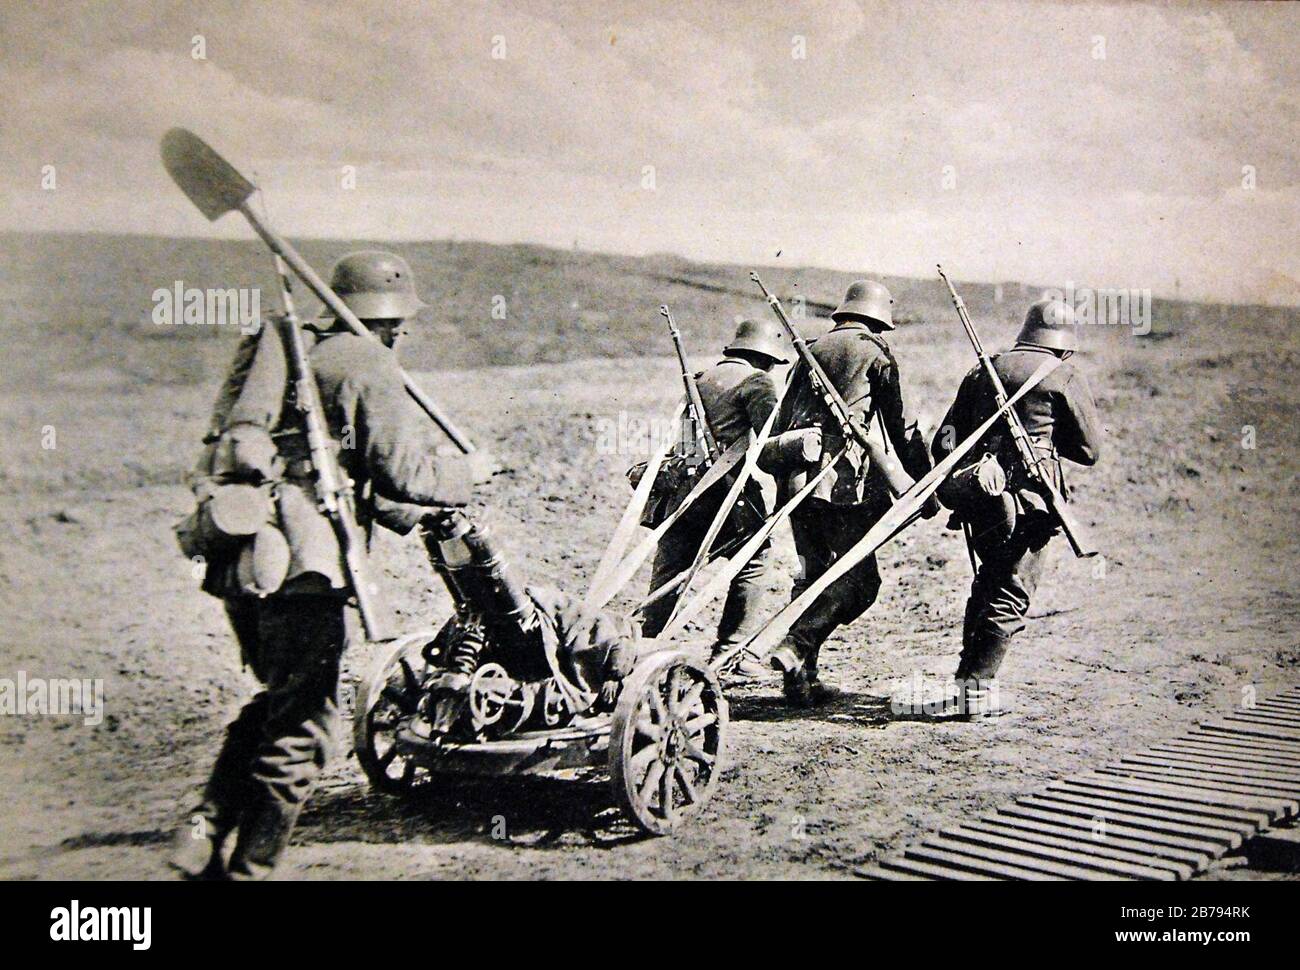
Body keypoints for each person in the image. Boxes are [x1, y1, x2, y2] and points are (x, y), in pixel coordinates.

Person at [171, 250, 495, 879]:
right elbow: (405, 469)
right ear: (389, 318)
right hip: (308, 568)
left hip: (242, 554)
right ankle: (251, 870)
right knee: (305, 727)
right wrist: (469, 472)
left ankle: (204, 830)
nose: (400, 331)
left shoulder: (283, 350)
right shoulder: (365, 361)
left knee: (281, 699)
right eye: (398, 321)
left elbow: (354, 476)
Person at [931, 298, 1103, 719]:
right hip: (1030, 505)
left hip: (980, 498)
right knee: (1010, 592)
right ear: (1064, 343)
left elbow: (946, 441)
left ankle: (966, 685)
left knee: (986, 584)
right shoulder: (1062, 374)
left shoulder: (983, 369)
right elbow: (1088, 450)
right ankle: (975, 695)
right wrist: (1042, 442)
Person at [766, 280, 933, 706]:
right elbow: (903, 430)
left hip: (795, 484)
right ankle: (797, 645)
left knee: (812, 576)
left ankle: (801, 680)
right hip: (845, 488)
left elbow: (783, 419)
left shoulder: (809, 351)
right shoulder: (875, 354)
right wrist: (924, 484)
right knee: (861, 583)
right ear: (879, 319)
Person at [638, 317, 791, 678]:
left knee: (672, 568)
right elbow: (770, 449)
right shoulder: (757, 382)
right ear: (766, 357)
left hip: (679, 494)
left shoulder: (701, 378)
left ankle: (646, 646)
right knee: (754, 560)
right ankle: (732, 652)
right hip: (725, 496)